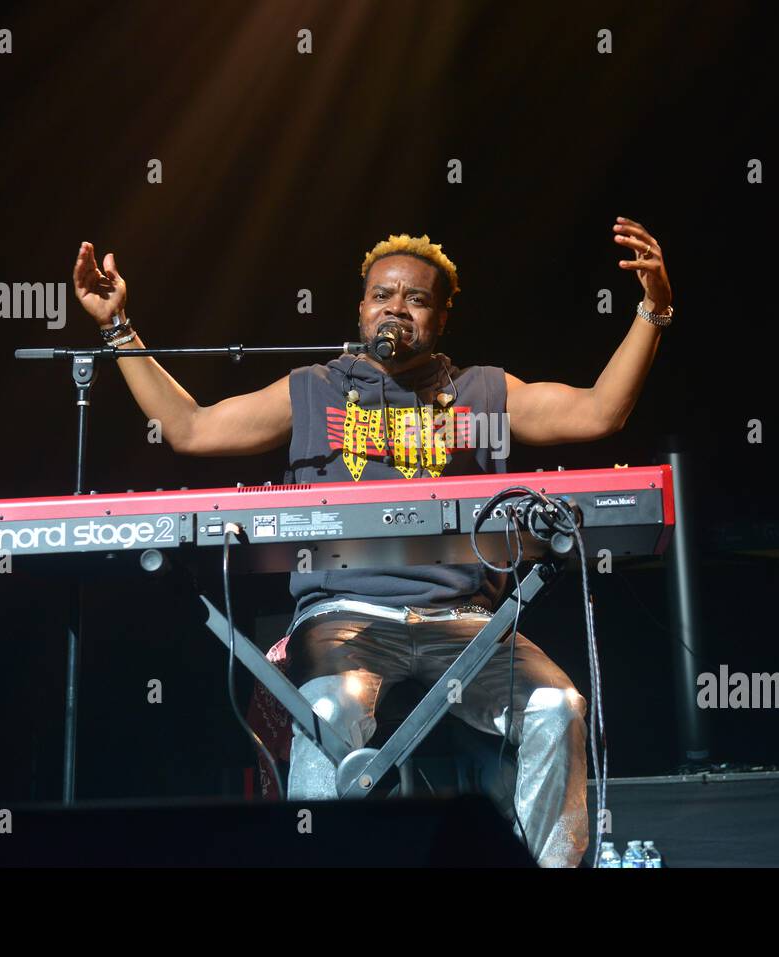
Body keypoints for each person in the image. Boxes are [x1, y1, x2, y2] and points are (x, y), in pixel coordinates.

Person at [72, 221, 672, 866]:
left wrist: (654, 308)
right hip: (344, 616)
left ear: (441, 317)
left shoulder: (484, 394)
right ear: (361, 309)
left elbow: (599, 411)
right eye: (381, 295)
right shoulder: (313, 390)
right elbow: (189, 429)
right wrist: (117, 328)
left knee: (558, 707)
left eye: (414, 299)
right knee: (328, 710)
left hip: (468, 623)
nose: (395, 307)